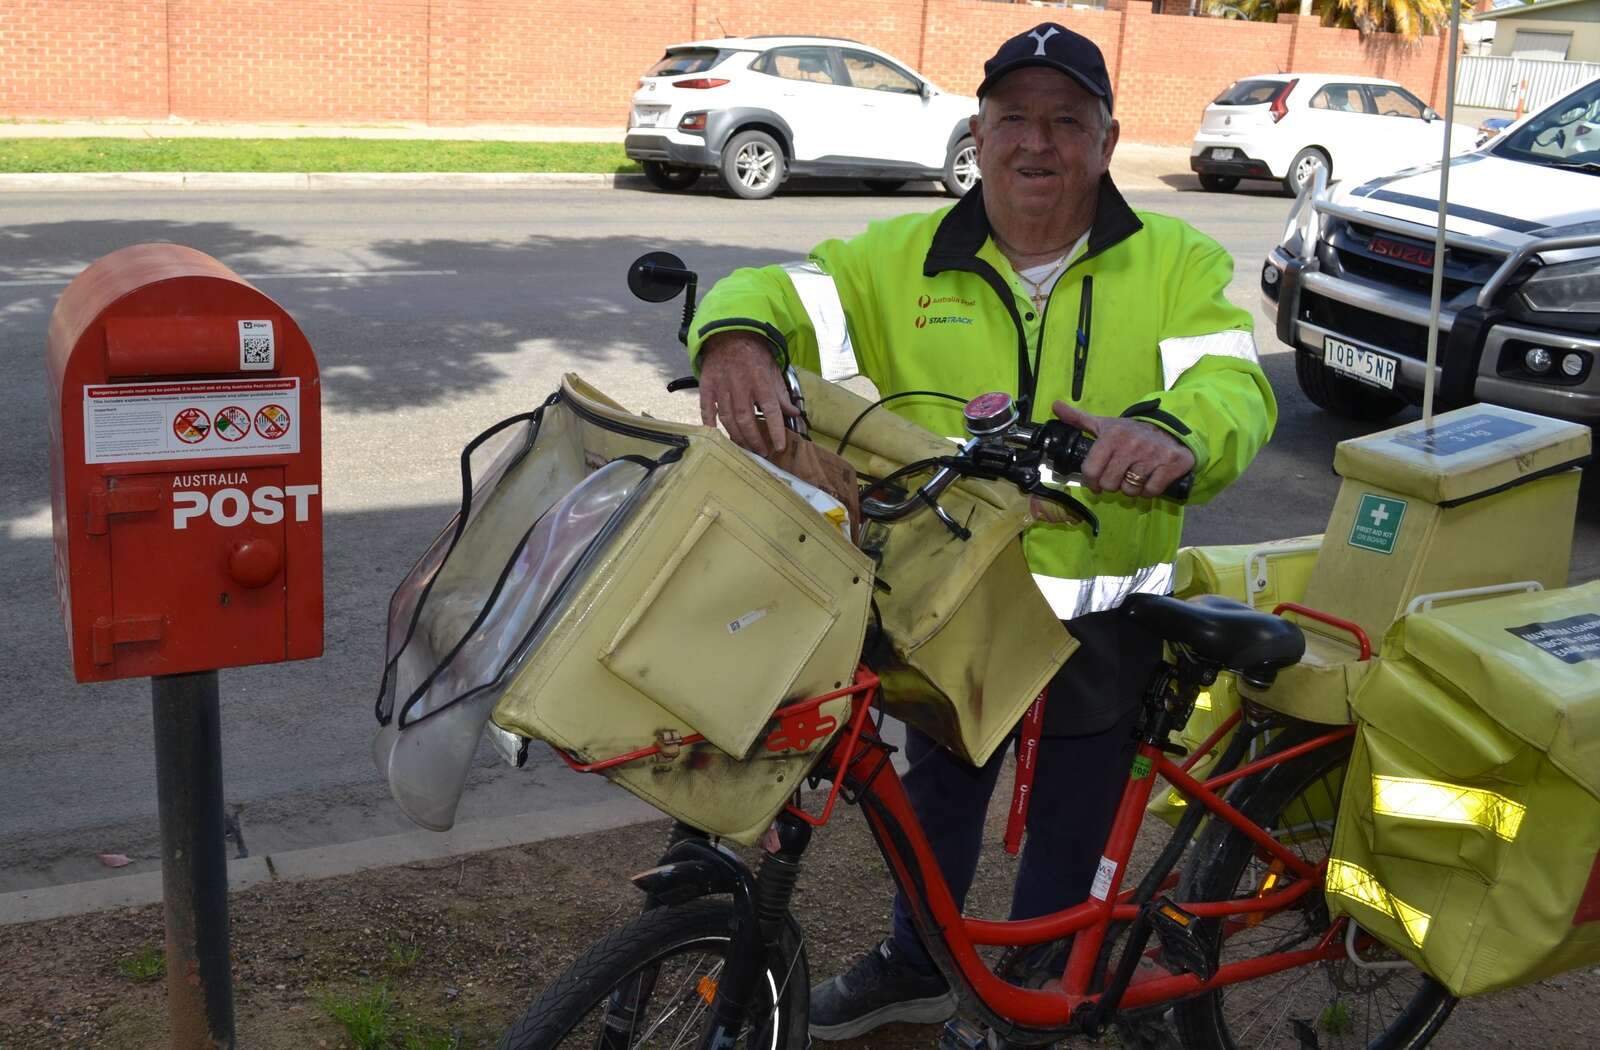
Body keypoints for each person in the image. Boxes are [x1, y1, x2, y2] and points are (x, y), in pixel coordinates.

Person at [687, 23, 1275, 1042]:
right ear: (980, 130)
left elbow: (1230, 383)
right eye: (1013, 119)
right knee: (937, 797)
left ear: (1105, 139)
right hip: (953, 596)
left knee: (1071, 814)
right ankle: (918, 962)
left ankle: (1033, 992)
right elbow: (781, 290)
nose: (1035, 144)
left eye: (1065, 121)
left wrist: (1174, 431)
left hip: (1105, 602)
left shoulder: (1172, 259)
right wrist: (734, 334)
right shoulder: (903, 254)